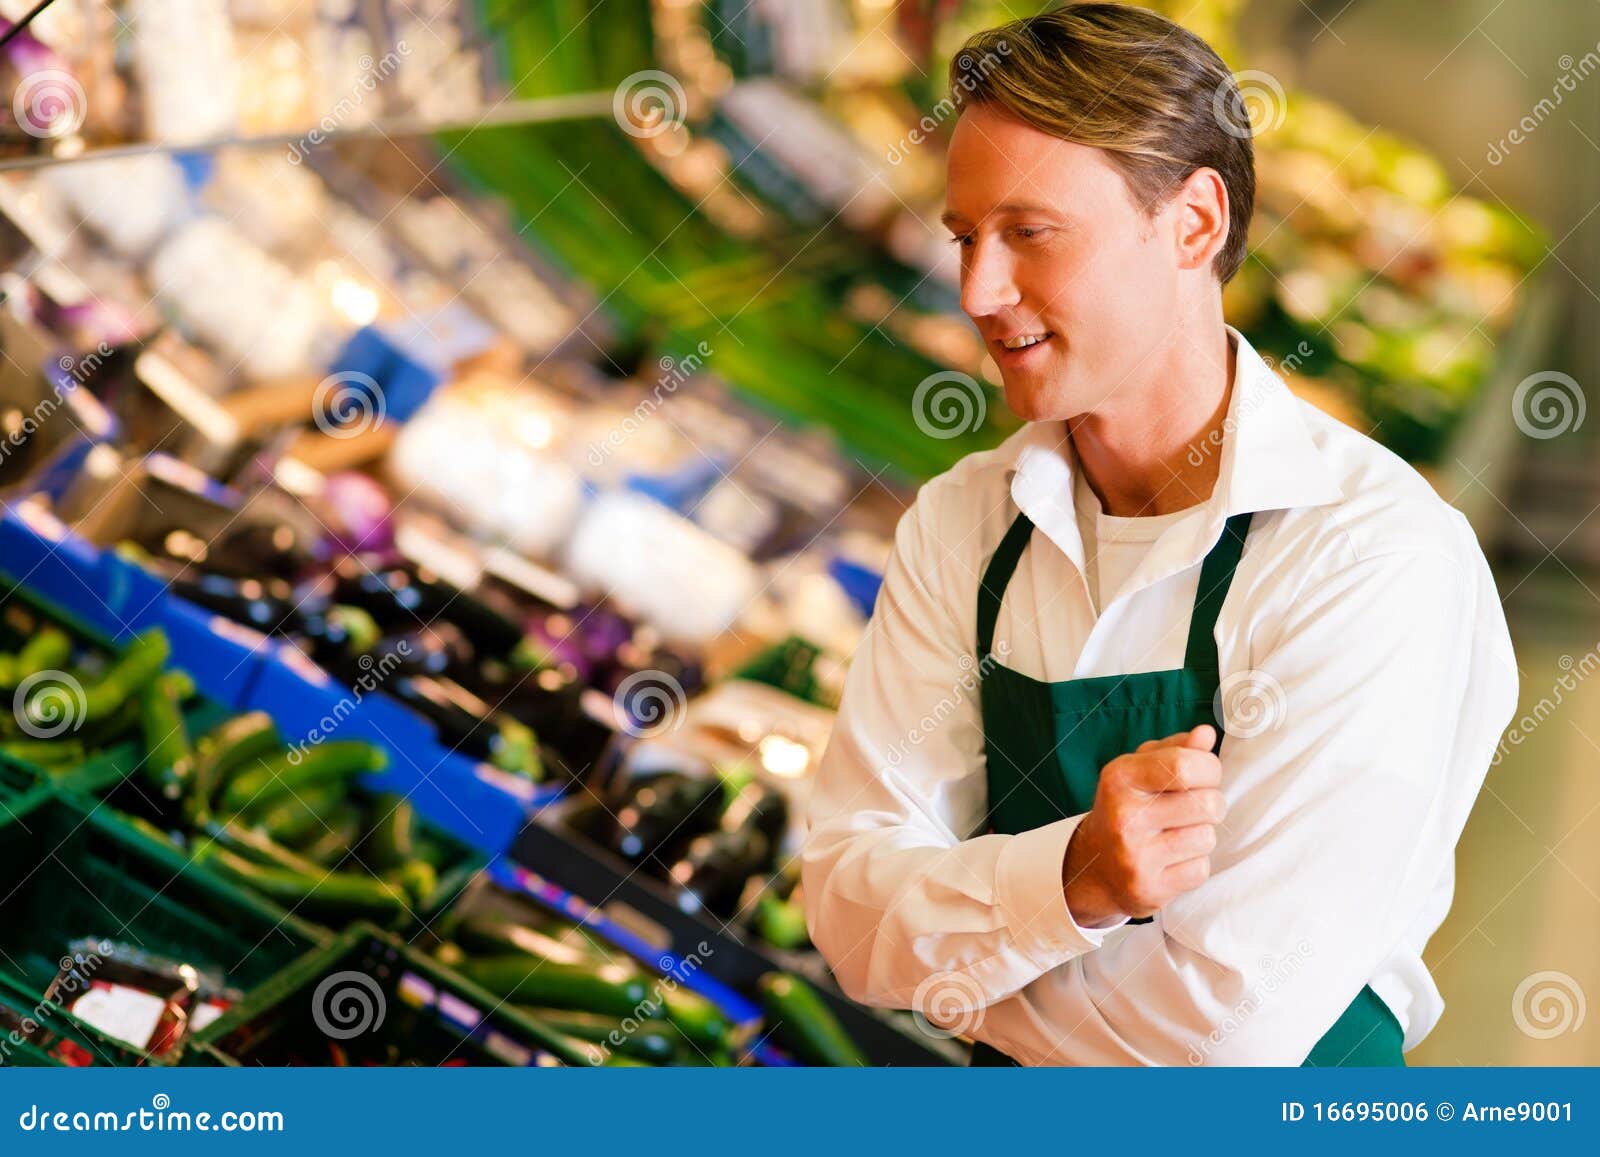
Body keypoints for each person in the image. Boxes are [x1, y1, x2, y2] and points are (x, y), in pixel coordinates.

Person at [801, 2, 1519, 1067]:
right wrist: (1075, 878)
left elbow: (1226, 1035)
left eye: (1028, 233)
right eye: (964, 237)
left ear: (1191, 224)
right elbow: (850, 918)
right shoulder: (964, 520)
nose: (977, 292)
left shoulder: (1368, 556)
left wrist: (964, 967)